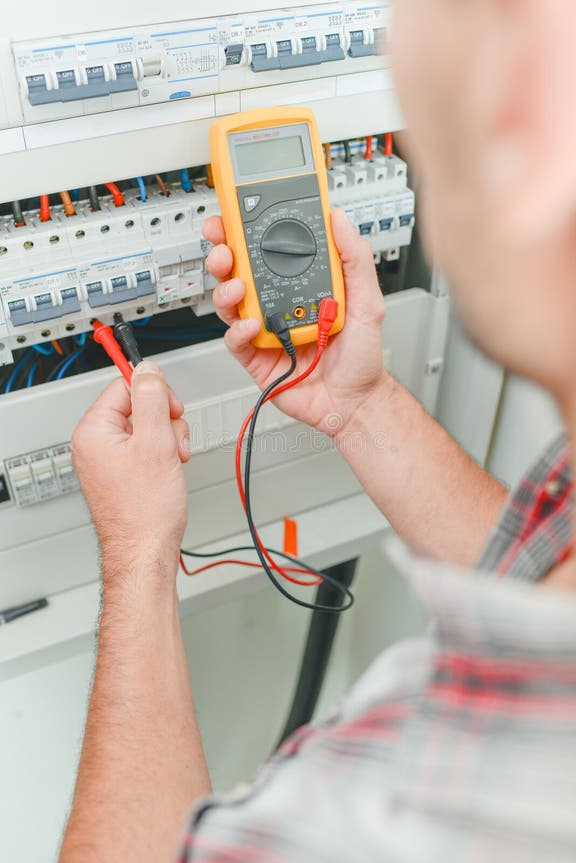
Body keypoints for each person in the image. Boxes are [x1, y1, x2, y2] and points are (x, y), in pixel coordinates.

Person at [59, 1, 576, 860]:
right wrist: (359, 404)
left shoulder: (406, 800)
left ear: (525, 100)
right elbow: (550, 582)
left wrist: (138, 550)